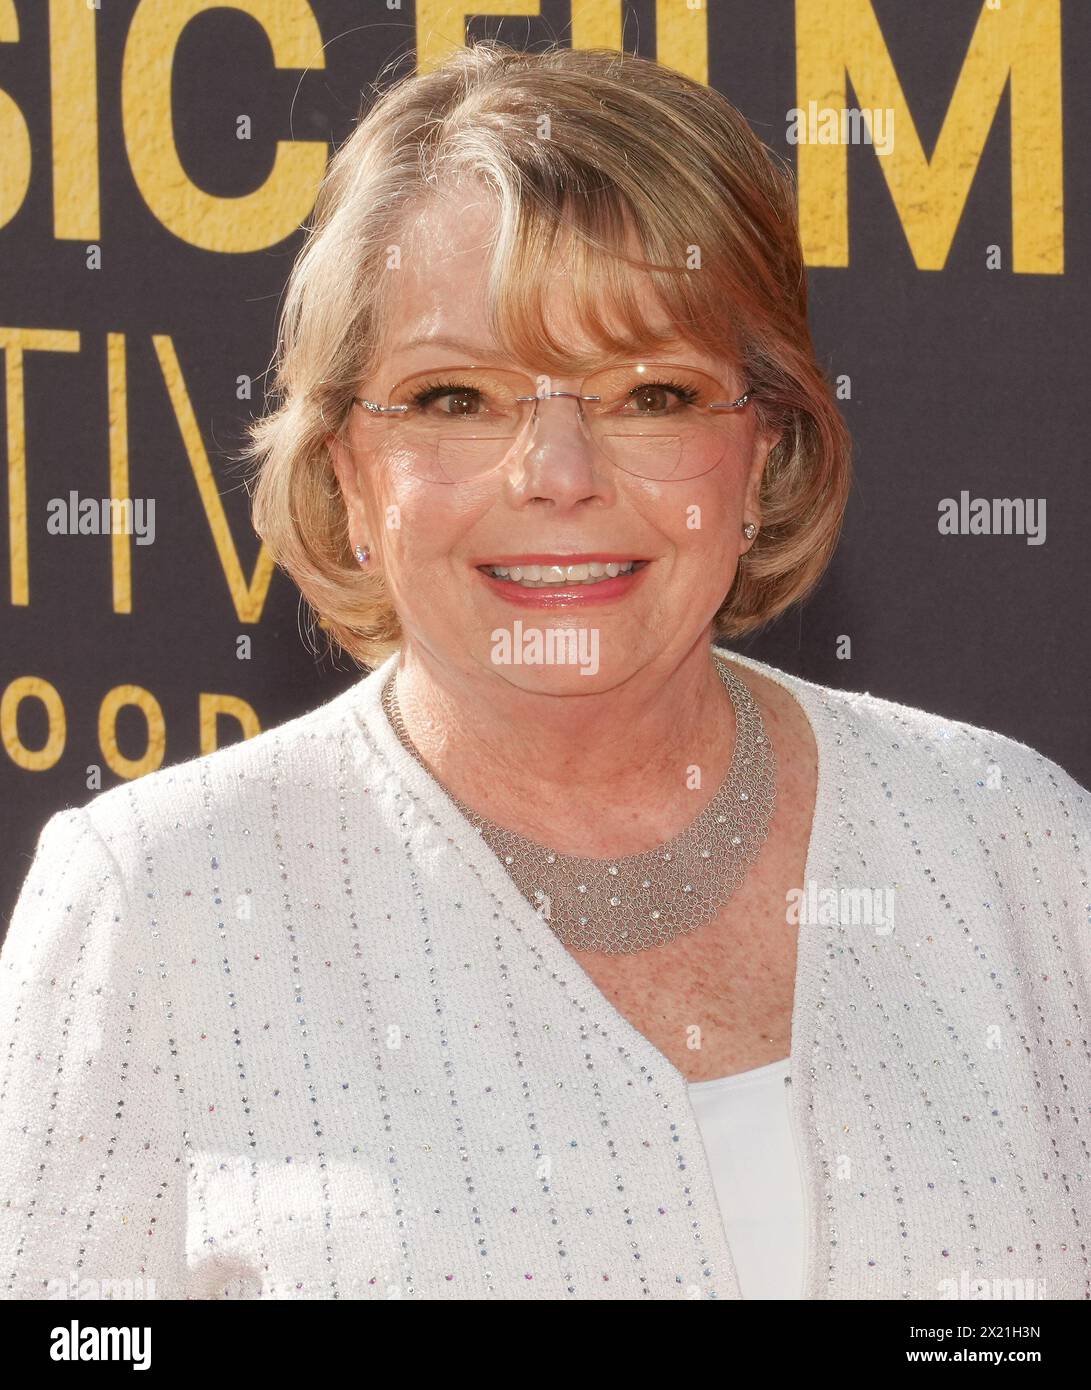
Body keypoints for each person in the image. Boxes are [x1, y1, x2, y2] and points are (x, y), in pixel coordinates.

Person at [1, 40, 1087, 1302]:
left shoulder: (1016, 852)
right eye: (455, 397)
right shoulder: (158, 907)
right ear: (346, 470)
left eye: (652, 394)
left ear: (765, 451)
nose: (557, 474)